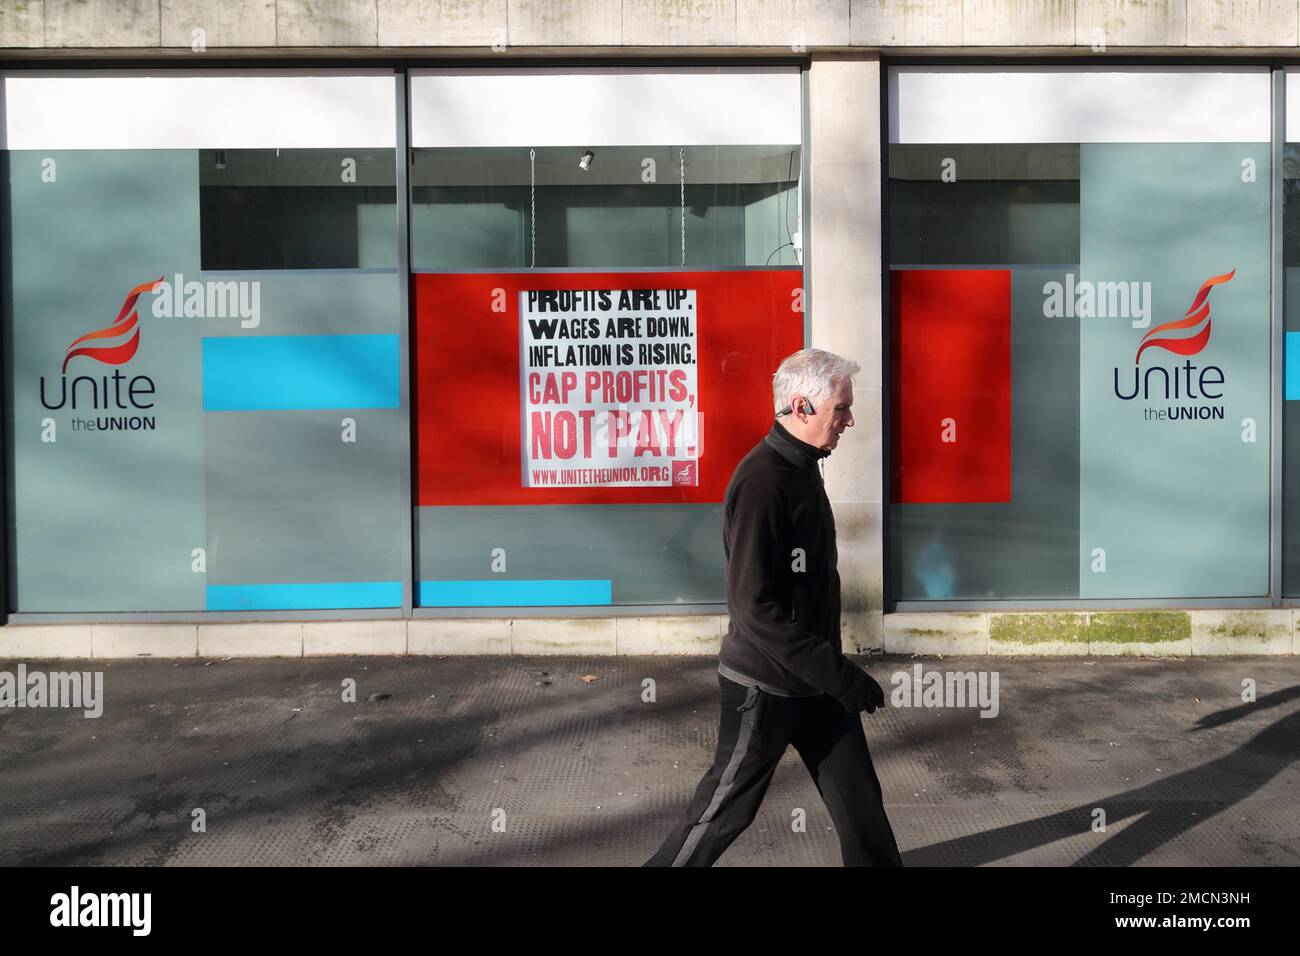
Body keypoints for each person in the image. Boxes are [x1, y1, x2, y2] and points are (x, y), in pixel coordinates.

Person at [645, 348, 902, 867]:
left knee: (861, 807)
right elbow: (755, 608)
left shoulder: (803, 467)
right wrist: (841, 673)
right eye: (841, 409)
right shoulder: (765, 480)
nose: (850, 420)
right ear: (802, 406)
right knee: (722, 813)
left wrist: (832, 675)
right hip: (764, 688)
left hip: (817, 684)